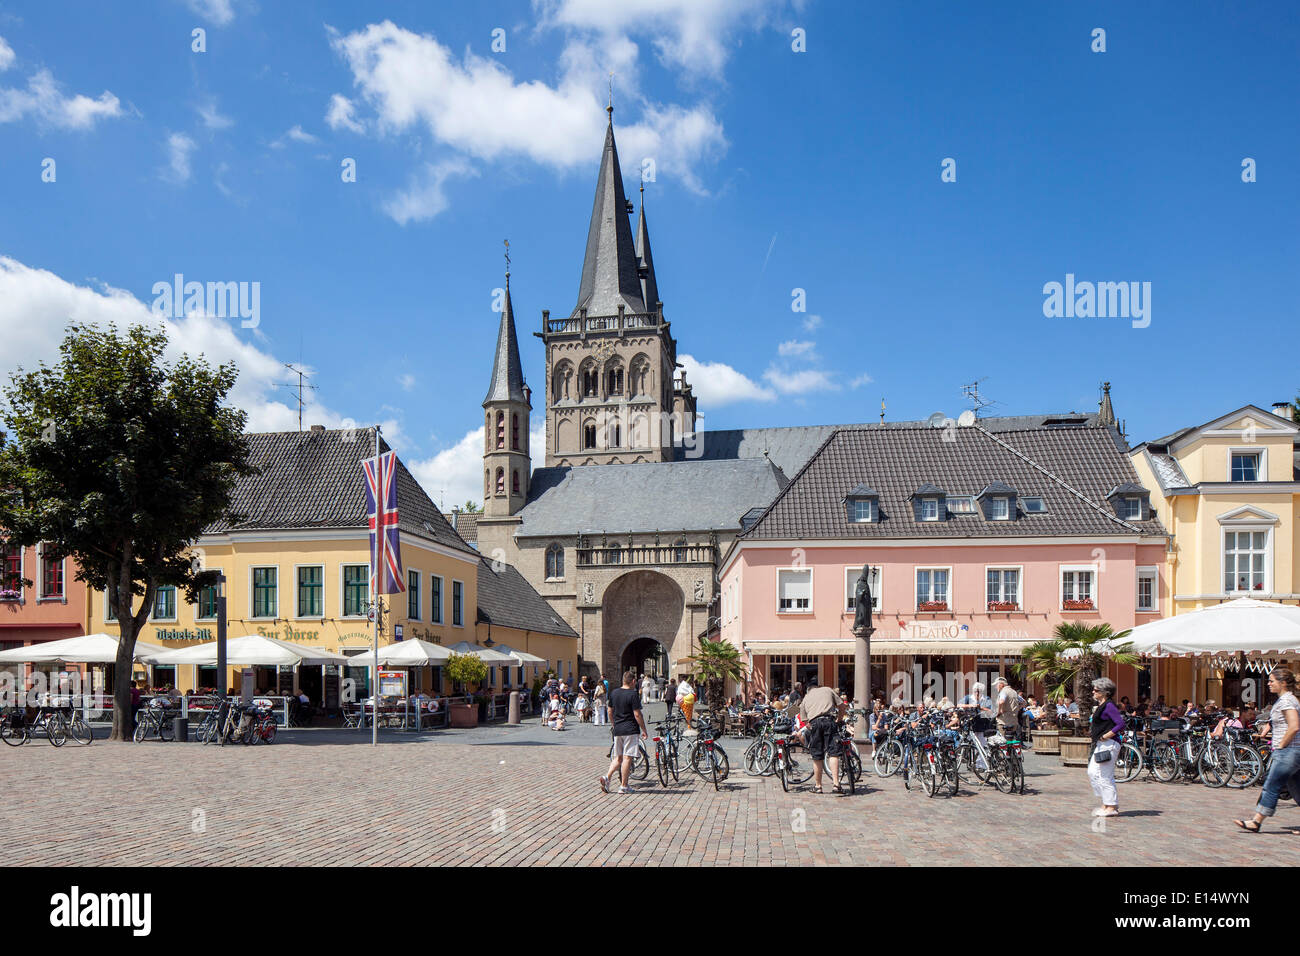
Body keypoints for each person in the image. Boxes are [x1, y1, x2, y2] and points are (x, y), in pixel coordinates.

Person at [1234, 667, 1300, 833]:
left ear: (1283, 683)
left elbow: (1294, 726)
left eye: (1272, 681)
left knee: (1272, 784)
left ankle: (1256, 821)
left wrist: (1281, 745)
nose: (1268, 683)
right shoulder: (1288, 700)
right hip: (1292, 751)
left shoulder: (1286, 701)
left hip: (1288, 752)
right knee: (1296, 788)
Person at [600, 670, 649, 795]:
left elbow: (609, 711)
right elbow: (637, 714)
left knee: (618, 757)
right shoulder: (633, 695)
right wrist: (644, 729)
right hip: (630, 729)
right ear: (633, 681)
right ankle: (624, 786)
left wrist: (613, 723)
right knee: (627, 757)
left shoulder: (614, 693)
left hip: (618, 729)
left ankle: (607, 777)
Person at [1087, 677, 1125, 818]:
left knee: (1105, 775)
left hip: (1109, 744)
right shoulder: (1101, 705)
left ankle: (1111, 806)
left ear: (1105, 692)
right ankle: (1106, 802)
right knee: (1092, 772)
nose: (1093, 692)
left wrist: (1106, 736)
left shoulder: (1109, 705)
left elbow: (1120, 724)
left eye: (1096, 690)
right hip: (1101, 744)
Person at [799, 680, 846, 794]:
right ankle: (836, 784)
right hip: (828, 720)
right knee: (833, 753)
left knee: (817, 756)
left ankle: (818, 786)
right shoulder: (828, 690)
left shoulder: (806, 698)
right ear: (818, 686)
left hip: (814, 723)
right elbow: (842, 706)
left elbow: (804, 720)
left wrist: (812, 728)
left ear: (808, 689)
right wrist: (838, 719)